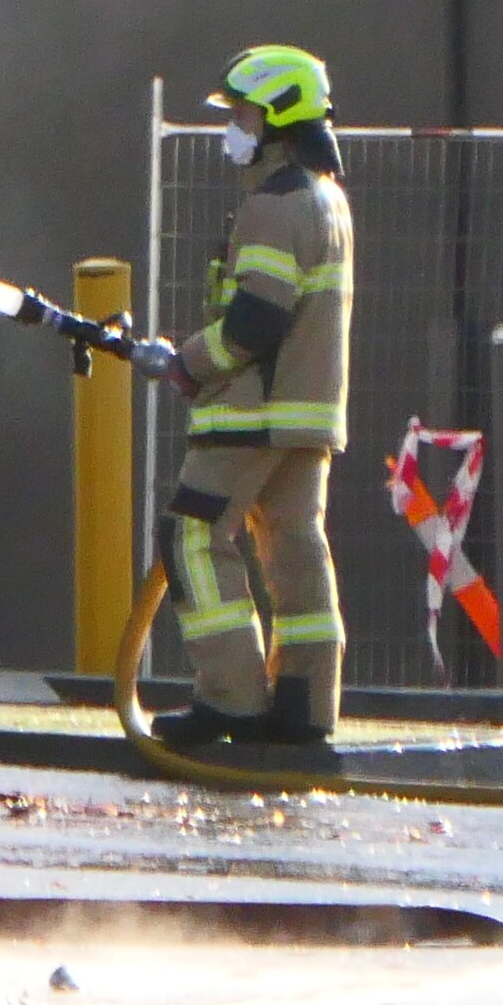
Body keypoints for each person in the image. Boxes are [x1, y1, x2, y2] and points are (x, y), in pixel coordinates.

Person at [155, 45, 355, 753]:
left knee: (192, 536)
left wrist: (188, 361)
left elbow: (256, 322)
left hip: (251, 414)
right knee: (297, 548)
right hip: (308, 418)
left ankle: (232, 701)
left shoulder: (272, 208)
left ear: (276, 119)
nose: (231, 129)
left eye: (241, 115)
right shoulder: (326, 199)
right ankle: (305, 707)